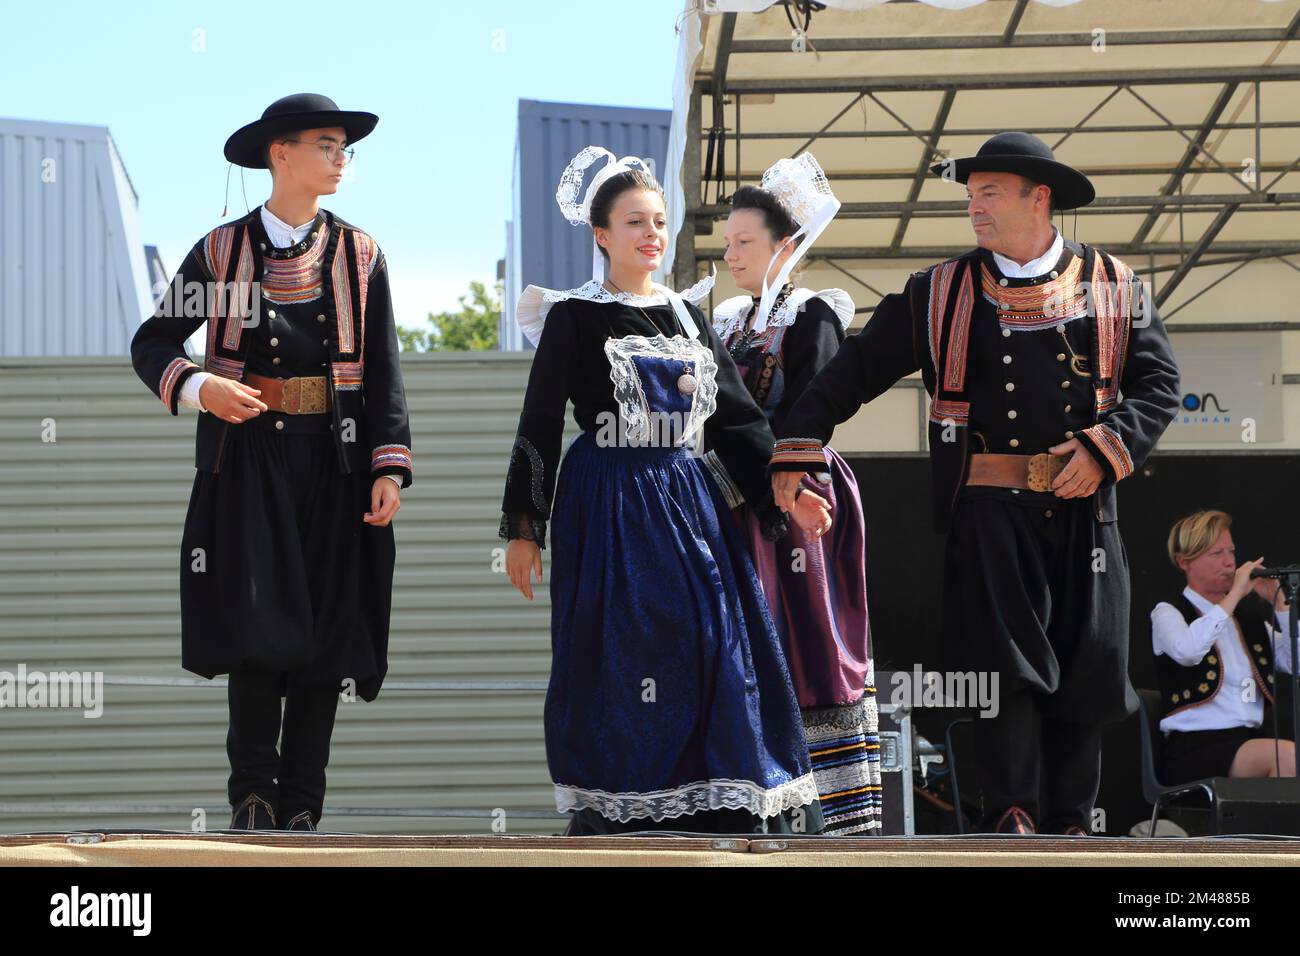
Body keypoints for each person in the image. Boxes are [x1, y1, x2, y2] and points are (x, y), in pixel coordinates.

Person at [770, 131, 1181, 835]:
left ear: (1038, 196)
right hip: (990, 510)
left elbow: (1161, 384)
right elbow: (856, 369)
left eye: (989, 192)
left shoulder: (1115, 285)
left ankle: (1073, 820)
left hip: (1087, 509)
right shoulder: (937, 292)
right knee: (1004, 664)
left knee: (1088, 663)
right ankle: (1011, 814)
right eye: (970, 194)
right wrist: (795, 445)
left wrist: (1107, 447)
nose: (974, 208)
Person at [500, 146, 828, 835]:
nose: (652, 234)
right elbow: (536, 425)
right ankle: (624, 806)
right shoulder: (575, 317)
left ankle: (716, 797)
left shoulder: (687, 315)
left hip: (687, 502)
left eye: (658, 221)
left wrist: (788, 486)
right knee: (624, 648)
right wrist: (525, 527)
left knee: (713, 638)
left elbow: (737, 419)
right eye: (634, 222)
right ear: (602, 235)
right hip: (610, 501)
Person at [130, 93, 412, 831]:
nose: (340, 156)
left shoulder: (362, 253)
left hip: (337, 459)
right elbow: (152, 342)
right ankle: (252, 797)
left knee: (325, 631)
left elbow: (383, 372)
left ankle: (303, 806)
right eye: (326, 143)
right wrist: (200, 386)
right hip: (249, 458)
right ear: (278, 153)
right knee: (257, 626)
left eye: (344, 146)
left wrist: (388, 468)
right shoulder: (222, 252)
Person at [711, 153, 880, 835]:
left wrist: (783, 480)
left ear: (786, 245)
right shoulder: (725, 321)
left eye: (743, 241)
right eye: (726, 242)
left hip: (799, 491)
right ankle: (750, 794)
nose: (730, 254)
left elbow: (814, 410)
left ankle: (827, 813)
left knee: (808, 641)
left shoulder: (814, 314)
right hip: (735, 500)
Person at [1153, 509, 1295, 782]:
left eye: (1231, 552)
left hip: (1249, 741)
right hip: (1195, 747)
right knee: (1288, 757)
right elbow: (1188, 651)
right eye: (1216, 554)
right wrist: (1233, 598)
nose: (1229, 563)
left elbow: (1295, 662)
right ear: (1184, 562)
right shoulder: (1168, 613)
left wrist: (1281, 607)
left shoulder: (1248, 621)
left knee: (1288, 756)